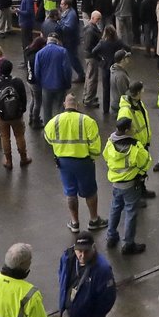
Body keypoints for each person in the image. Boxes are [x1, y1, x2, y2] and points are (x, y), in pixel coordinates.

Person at [44, 94, 105, 234]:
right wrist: (92, 157)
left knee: (70, 193)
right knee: (90, 192)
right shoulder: (88, 121)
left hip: (64, 163)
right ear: (76, 105)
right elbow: (96, 145)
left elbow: (48, 138)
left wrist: (60, 150)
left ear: (65, 105)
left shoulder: (54, 121)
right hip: (84, 162)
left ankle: (74, 222)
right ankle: (94, 220)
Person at [103, 116, 151, 255]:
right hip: (131, 184)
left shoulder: (110, 143)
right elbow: (146, 162)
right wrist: (140, 173)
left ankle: (111, 236)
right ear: (127, 130)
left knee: (115, 208)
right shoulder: (135, 147)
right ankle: (128, 244)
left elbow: (106, 157)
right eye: (132, 127)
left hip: (116, 184)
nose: (133, 130)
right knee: (130, 212)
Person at [0, 58, 31, 170]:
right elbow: (23, 98)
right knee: (20, 136)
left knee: (5, 137)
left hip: (2, 116)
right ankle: (24, 158)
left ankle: (8, 160)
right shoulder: (17, 82)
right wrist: (22, 110)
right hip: (17, 115)